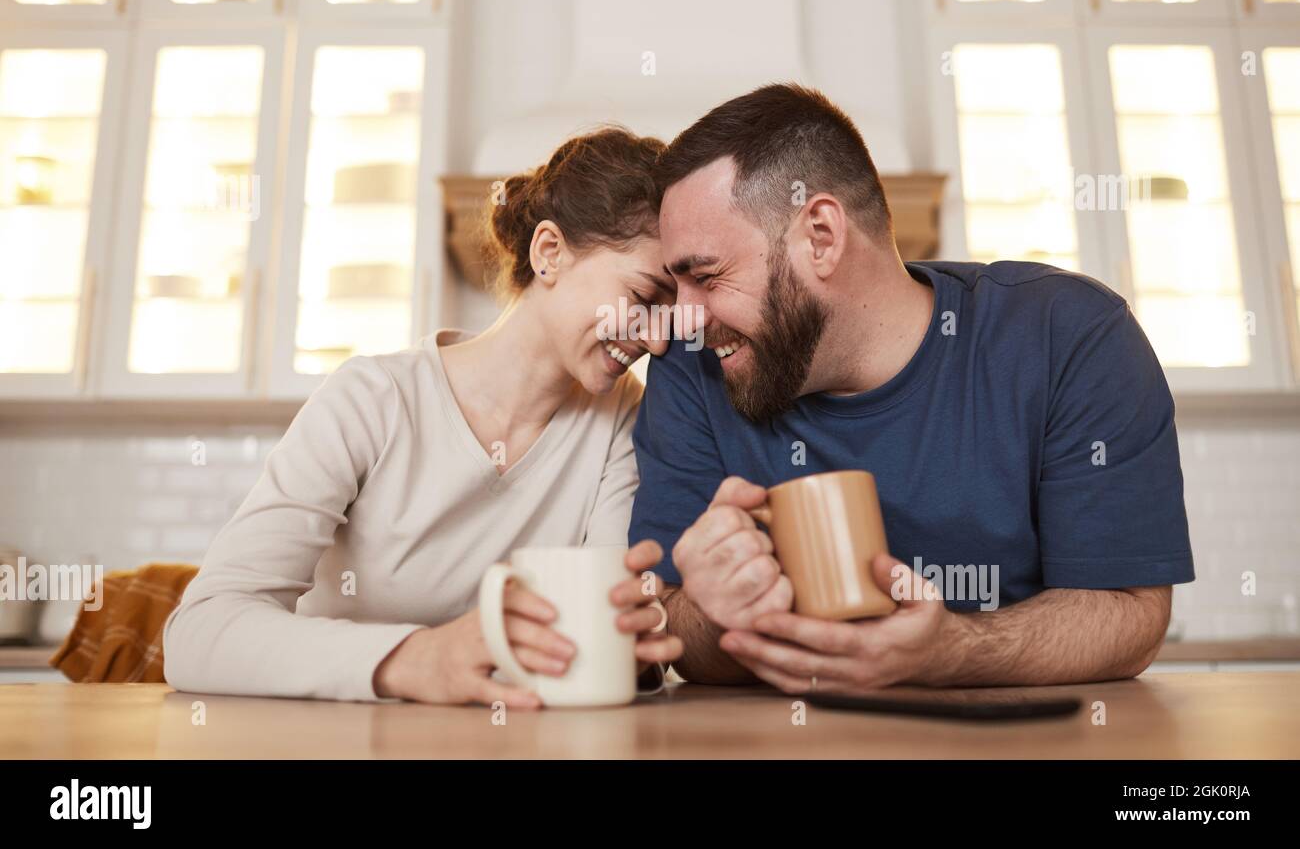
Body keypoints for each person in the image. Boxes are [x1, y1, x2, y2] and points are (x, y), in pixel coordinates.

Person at [630, 83, 1193, 693]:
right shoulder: (692, 362)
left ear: (820, 235)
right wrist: (715, 613)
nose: (681, 317)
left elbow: (1130, 613)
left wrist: (951, 652)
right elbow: (670, 625)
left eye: (706, 276)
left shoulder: (1069, 335)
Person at [164, 128, 684, 705]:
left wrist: (630, 647)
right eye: (642, 298)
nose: (657, 342)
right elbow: (199, 632)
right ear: (548, 253)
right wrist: (414, 658)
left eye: (672, 314)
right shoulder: (374, 399)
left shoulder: (621, 420)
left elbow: (592, 639)